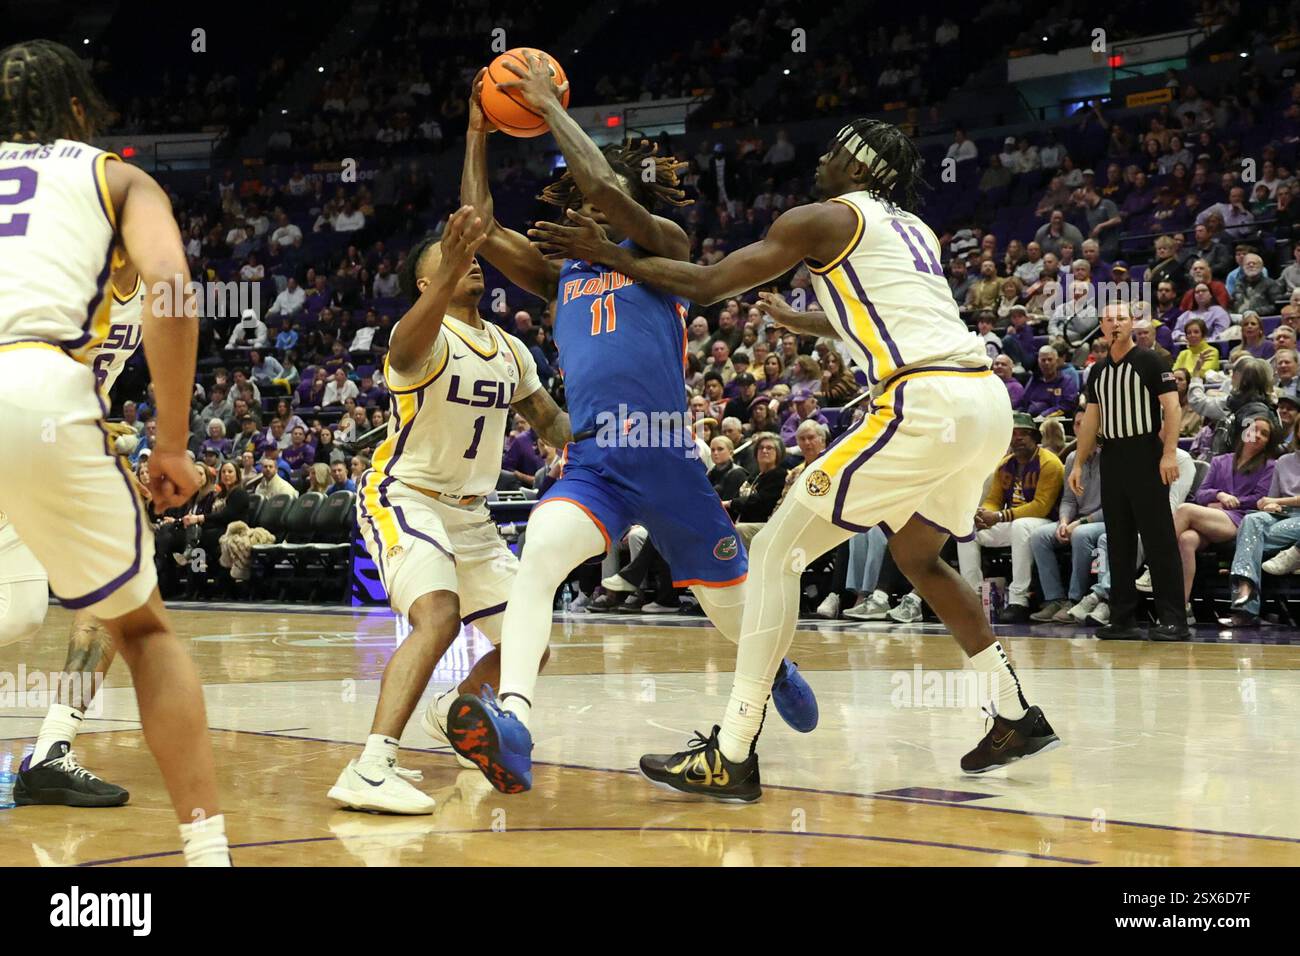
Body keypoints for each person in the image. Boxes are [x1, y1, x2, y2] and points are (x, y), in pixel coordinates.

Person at [532, 116, 1058, 798]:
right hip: (983, 401)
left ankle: (734, 747)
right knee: (917, 555)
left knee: (778, 550)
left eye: (839, 152)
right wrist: (803, 321)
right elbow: (893, 315)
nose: (825, 159)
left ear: (862, 170)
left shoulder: (822, 218)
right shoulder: (915, 231)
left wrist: (612, 255)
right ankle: (1014, 711)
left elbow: (708, 283)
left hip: (925, 403)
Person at [446, 60, 819, 795]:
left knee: (729, 609)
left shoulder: (666, 246)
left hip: (663, 454)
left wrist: (551, 109)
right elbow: (477, 229)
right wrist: (475, 133)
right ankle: (515, 719)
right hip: (593, 463)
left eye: (619, 175)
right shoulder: (559, 276)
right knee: (539, 564)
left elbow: (607, 195)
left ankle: (770, 666)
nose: (602, 184)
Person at [0, 40, 225, 864]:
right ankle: (208, 850)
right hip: (38, 403)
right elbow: (175, 291)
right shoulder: (112, 184)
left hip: (54, 425)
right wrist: (172, 443)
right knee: (138, 625)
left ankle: (53, 746)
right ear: (82, 113)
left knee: (50, 610)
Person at [328, 207, 573, 814]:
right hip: (404, 495)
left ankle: (451, 712)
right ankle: (372, 765)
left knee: (530, 639)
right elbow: (403, 349)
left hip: (473, 517)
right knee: (438, 617)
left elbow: (553, 424)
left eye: (472, 256)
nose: (472, 264)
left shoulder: (511, 349)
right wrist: (447, 270)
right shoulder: (423, 338)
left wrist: (614, 429)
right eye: (453, 257)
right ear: (425, 282)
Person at [1070, 302, 1188, 641]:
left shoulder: (1151, 361)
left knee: (1158, 538)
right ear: (1103, 328)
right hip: (1113, 455)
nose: (1115, 324)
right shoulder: (1097, 370)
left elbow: (1172, 408)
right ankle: (1122, 618)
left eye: (1121, 318)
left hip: (1146, 452)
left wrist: (1168, 454)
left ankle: (1174, 619)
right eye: (1109, 320)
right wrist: (1078, 462)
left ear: (1133, 323)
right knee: (1118, 539)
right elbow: (1092, 418)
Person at [957, 413, 1065, 622]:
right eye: (1013, 434)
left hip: (1047, 523)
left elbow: (1041, 507)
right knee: (966, 528)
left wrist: (998, 516)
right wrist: (982, 514)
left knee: (1020, 526)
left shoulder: (1050, 463)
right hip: (1013, 521)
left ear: (1035, 438)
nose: (1018, 439)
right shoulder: (1005, 465)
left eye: (1024, 434)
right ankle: (973, 595)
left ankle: (1019, 599)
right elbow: (993, 499)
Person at [1174, 416, 1278, 620]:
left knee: (1184, 510)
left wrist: (1230, 501)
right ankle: (1181, 608)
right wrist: (1219, 495)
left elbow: (1259, 499)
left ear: (1268, 442)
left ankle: (1155, 563)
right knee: (1186, 540)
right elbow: (1202, 493)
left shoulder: (1269, 466)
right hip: (1212, 519)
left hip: (1240, 520)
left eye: (1264, 434)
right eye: (1254, 429)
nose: (1257, 435)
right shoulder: (1220, 460)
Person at [1226, 419, 1300, 625]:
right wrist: (1270, 505)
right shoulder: (1283, 461)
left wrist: (1276, 501)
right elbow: (1271, 498)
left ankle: (1245, 612)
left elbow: (1277, 498)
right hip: (1281, 515)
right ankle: (1245, 587)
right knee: (1251, 520)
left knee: (1250, 540)